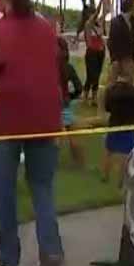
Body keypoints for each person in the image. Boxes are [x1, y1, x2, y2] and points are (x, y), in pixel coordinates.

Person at [0, 0, 64, 266]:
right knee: (42, 187)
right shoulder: (46, 29)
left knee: (5, 189)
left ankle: (8, 256)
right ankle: (50, 249)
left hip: (9, 119)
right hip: (46, 117)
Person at [103, 72, 134, 187]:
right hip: (129, 127)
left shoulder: (111, 90)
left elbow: (107, 107)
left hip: (113, 124)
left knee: (109, 151)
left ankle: (105, 177)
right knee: (126, 155)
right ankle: (120, 182)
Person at [107, 0, 134, 85]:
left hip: (129, 57)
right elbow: (111, 41)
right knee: (112, 82)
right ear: (130, 6)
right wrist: (114, 58)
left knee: (130, 81)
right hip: (117, 57)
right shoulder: (116, 21)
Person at [59, 38, 85, 168]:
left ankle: (49, 163)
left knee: (51, 137)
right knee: (72, 136)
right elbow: (79, 88)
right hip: (65, 104)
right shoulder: (68, 67)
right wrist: (70, 97)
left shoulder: (46, 67)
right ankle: (79, 163)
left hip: (51, 106)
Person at [80, 6, 106, 106]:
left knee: (97, 75)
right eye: (92, 13)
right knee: (92, 75)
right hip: (91, 53)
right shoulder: (88, 24)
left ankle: (94, 97)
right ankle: (86, 95)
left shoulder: (99, 24)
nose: (95, 15)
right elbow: (99, 11)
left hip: (100, 52)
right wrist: (100, 2)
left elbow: (105, 11)